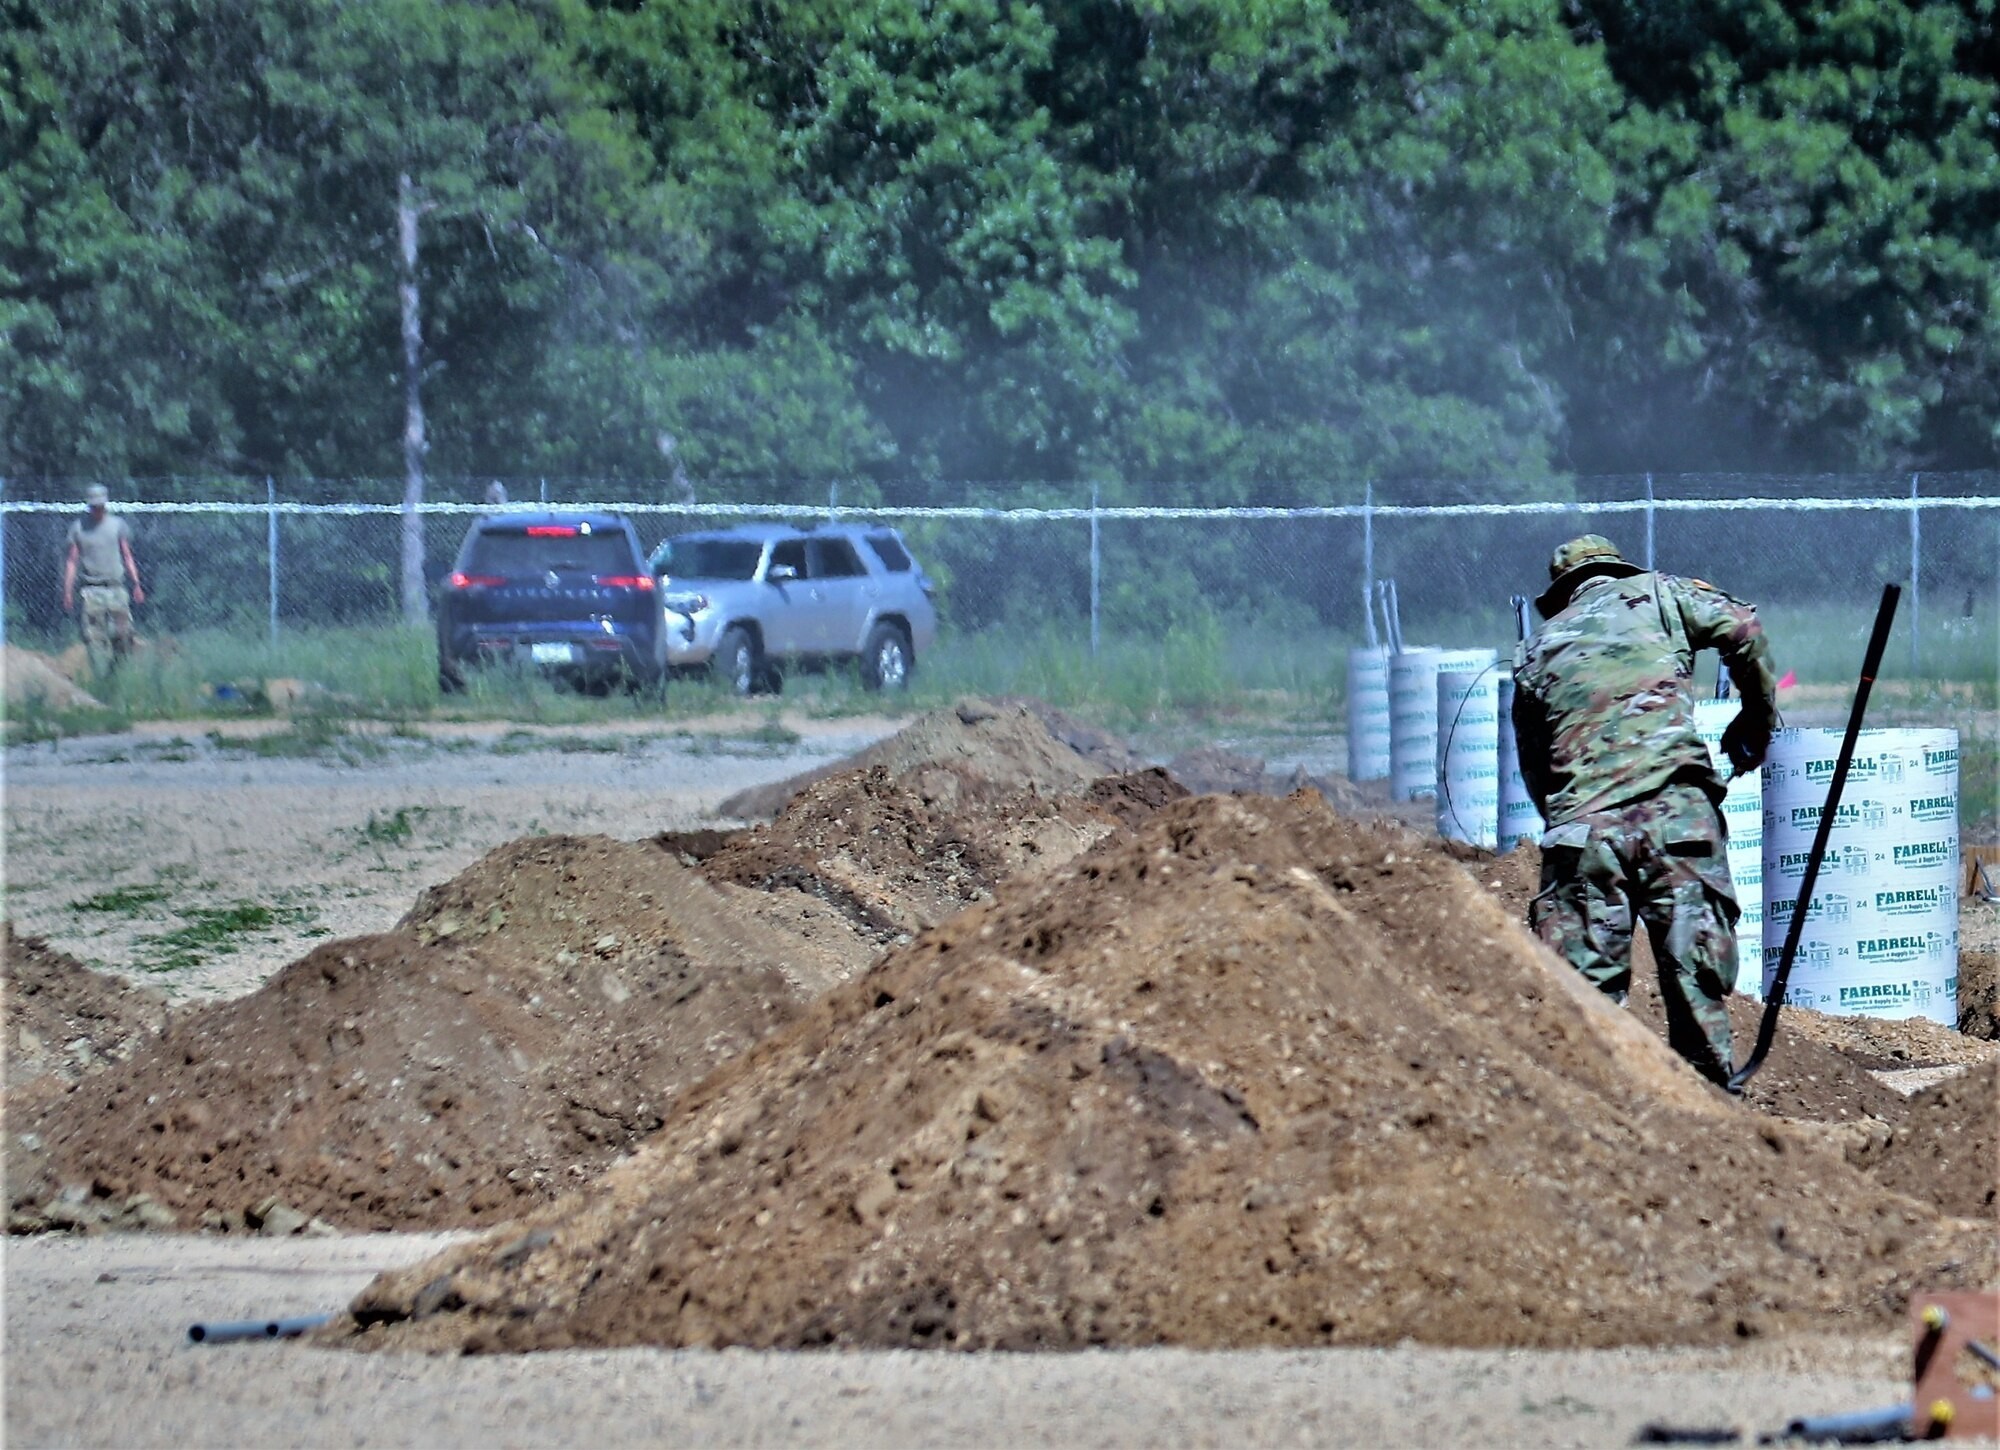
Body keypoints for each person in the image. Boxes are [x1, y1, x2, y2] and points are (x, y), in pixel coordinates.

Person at [1511, 535, 1777, 1090]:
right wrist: (1757, 718)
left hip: (1583, 833)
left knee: (1584, 1005)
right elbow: (1743, 629)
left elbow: (1535, 768)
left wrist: (1571, 826)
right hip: (1677, 818)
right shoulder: (1660, 594)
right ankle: (1712, 1114)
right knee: (1694, 979)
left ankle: (1603, 1129)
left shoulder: (1536, 649)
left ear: (1561, 595)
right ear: (1615, 569)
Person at [60, 484, 146, 676]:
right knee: (94, 638)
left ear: (105, 504)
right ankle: (101, 679)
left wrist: (137, 584)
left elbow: (127, 555)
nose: (97, 509)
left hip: (116, 588)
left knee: (123, 635)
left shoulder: (118, 525)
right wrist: (67, 591)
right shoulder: (78, 528)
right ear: (89, 505)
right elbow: (72, 561)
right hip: (91, 591)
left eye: (101, 505)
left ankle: (117, 673)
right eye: (94, 506)